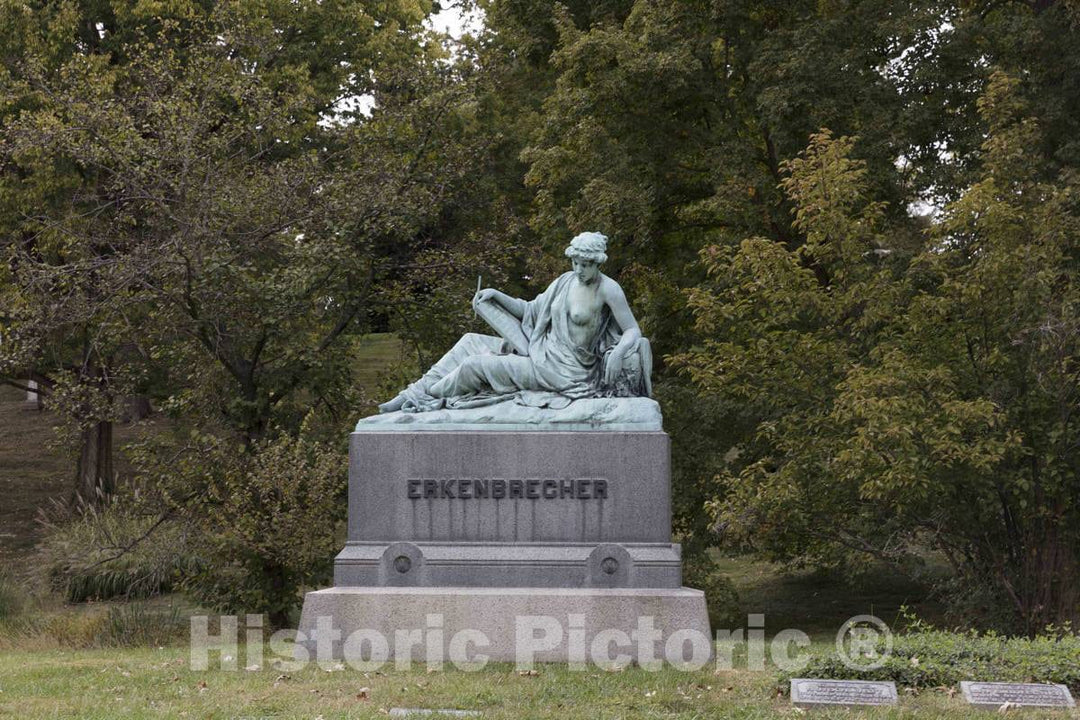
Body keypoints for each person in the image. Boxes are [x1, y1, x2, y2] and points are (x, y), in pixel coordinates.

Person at [378, 232, 652, 413]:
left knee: (476, 365)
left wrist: (618, 352)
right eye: (575, 263)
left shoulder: (608, 289)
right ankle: (413, 392)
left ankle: (423, 399)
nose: (578, 270)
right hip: (541, 351)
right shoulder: (565, 281)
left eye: (585, 264)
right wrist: (496, 296)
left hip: (566, 372)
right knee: (470, 342)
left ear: (597, 262)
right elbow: (530, 310)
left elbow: (632, 330)